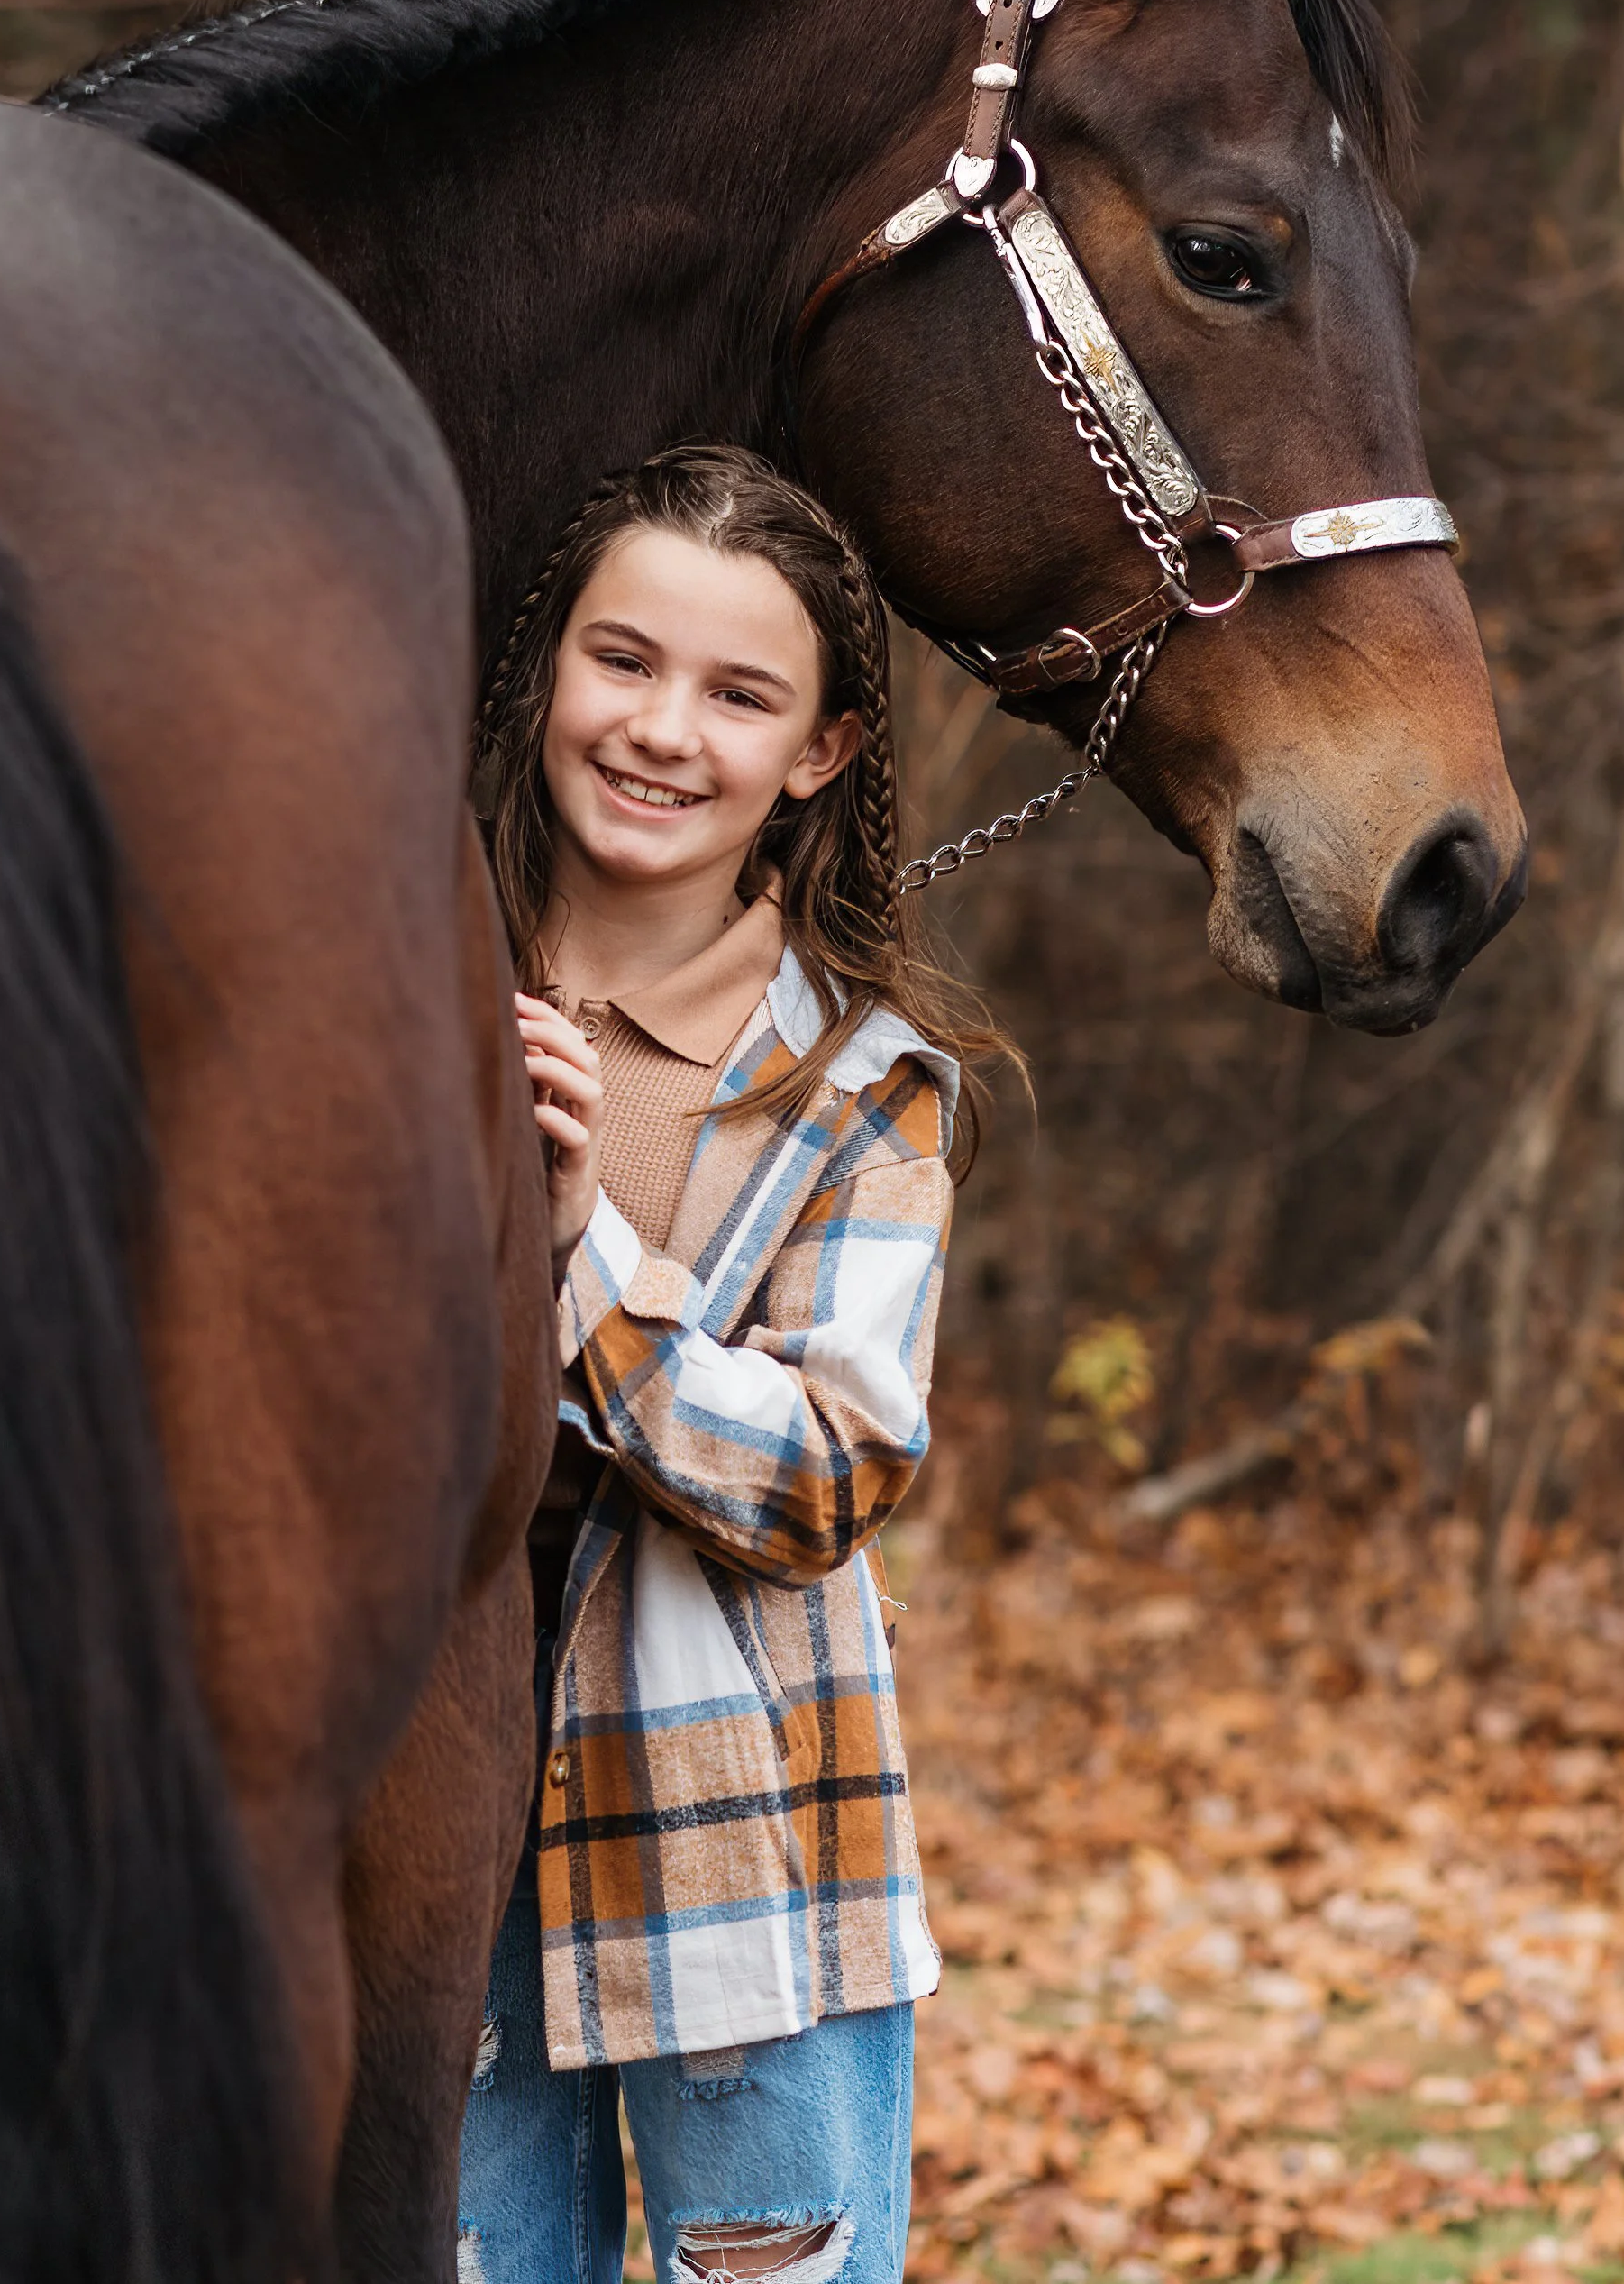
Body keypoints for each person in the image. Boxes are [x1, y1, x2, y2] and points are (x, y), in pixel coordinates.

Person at [458, 443, 1014, 2284]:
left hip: (740, 1846)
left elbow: (831, 1467)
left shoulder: (867, 1083)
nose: (663, 726)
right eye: (625, 659)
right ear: (544, 666)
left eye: (739, 690)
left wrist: (575, 1263)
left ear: (823, 751)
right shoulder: (403, 980)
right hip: (414, 1808)